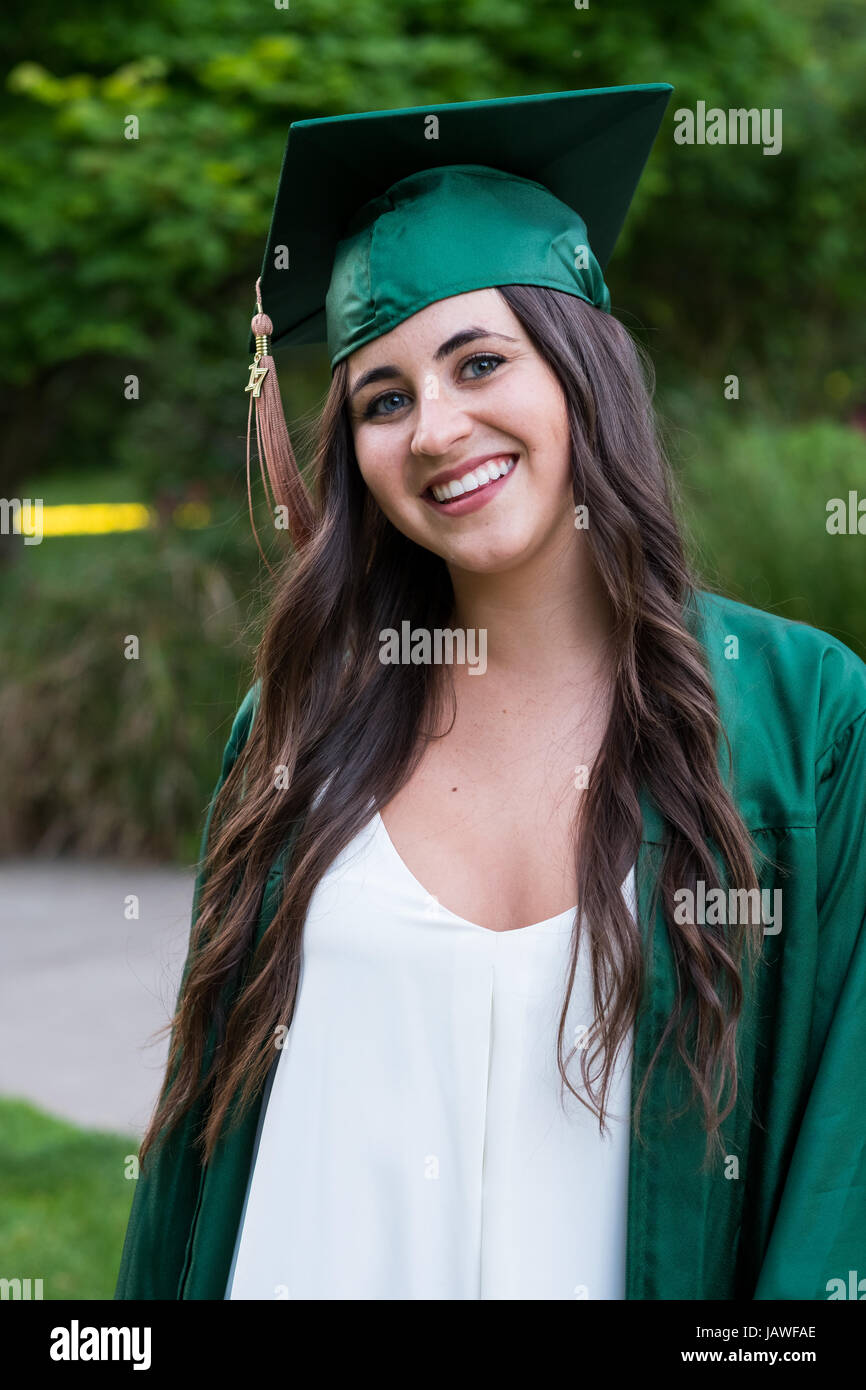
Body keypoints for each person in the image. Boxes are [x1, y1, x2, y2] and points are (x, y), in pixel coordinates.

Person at [115, 85, 866, 1301]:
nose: (435, 429)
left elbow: (845, 1148)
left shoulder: (797, 716)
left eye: (478, 362)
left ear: (580, 369)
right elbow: (199, 1140)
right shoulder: (300, 723)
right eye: (385, 397)